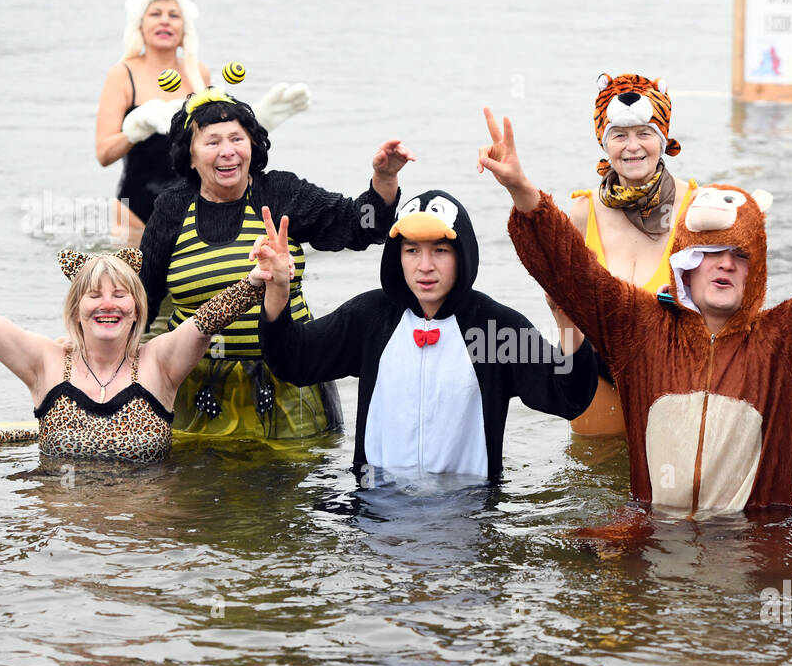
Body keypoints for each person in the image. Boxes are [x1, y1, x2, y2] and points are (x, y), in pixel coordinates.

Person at [478, 108, 792, 514]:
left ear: (756, 270)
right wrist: (521, 190)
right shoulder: (640, 331)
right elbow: (571, 273)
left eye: (739, 255)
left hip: (749, 550)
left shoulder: (784, 345)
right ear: (685, 262)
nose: (725, 263)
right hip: (655, 547)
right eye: (710, 253)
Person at [256, 189, 598, 483]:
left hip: (467, 510)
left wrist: (566, 318)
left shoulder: (494, 328)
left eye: (440, 250)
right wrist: (278, 290)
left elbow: (569, 398)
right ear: (396, 258)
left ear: (463, 255)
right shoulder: (370, 317)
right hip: (377, 507)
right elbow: (293, 361)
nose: (425, 266)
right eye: (412, 251)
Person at [0, 207, 276, 463]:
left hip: (143, 546)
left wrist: (258, 279)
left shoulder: (159, 361)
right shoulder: (46, 362)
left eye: (119, 295)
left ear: (138, 309)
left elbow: (208, 318)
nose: (107, 305)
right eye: (94, 295)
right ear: (76, 309)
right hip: (64, 546)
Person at [139, 87, 413, 442]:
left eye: (237, 138)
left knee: (290, 491)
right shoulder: (172, 207)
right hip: (193, 386)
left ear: (252, 146)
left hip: (288, 383)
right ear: (189, 155)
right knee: (196, 491)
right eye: (212, 142)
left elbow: (356, 226)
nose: (227, 151)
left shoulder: (280, 192)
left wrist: (385, 181)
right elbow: (140, 297)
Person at [96, 0, 312, 246]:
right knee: (133, 288)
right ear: (139, 24)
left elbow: (216, 137)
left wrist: (257, 120)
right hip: (133, 209)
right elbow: (103, 154)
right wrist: (136, 129)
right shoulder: (121, 74)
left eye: (174, 15)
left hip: (190, 206)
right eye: (155, 14)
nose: (165, 21)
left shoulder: (198, 73)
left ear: (186, 27)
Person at [557, 73, 701, 436]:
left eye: (645, 133)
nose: (632, 146)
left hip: (673, 382)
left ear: (663, 139)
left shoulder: (696, 209)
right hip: (597, 383)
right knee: (592, 482)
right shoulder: (582, 212)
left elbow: (725, 306)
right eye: (619, 135)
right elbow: (564, 313)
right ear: (604, 144)